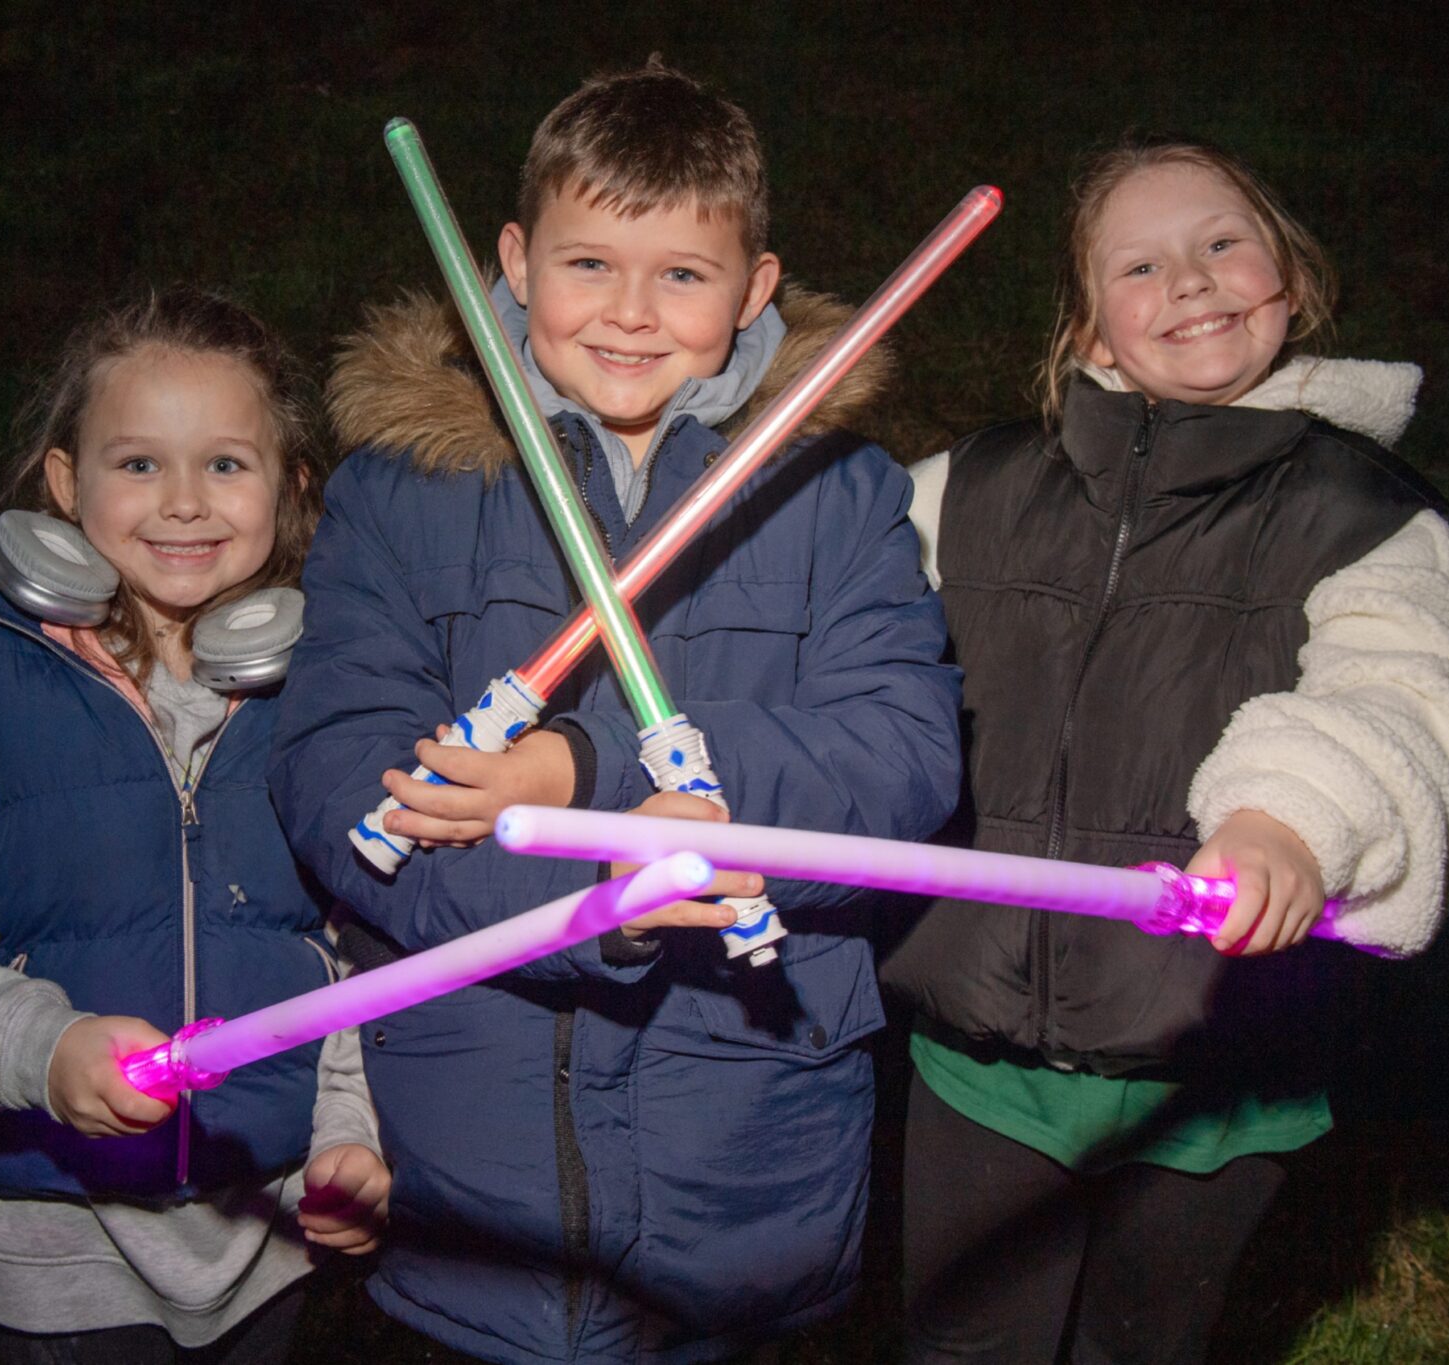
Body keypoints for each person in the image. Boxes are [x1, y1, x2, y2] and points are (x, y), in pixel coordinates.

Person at [271, 61, 961, 1365]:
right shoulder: (400, 489)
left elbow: (904, 756)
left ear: (756, 287)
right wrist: (594, 903)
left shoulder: (836, 492)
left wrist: (576, 775)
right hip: (467, 1206)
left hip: (747, 1209)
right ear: (516, 262)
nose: (633, 314)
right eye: (591, 264)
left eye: (685, 276)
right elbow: (337, 777)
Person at [882, 138, 1449, 1364]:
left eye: (1221, 242)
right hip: (984, 1058)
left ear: (1290, 277)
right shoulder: (974, 489)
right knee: (963, 1345)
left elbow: (1411, 687)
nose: (1190, 278)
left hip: (1222, 1067)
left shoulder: (1365, 516)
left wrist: (1291, 815)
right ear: (1089, 333)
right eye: (1140, 262)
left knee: (1148, 1345)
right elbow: (819, 611)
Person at [0, 287, 389, 1363]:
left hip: (271, 1238)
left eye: (226, 463)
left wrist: (349, 1135)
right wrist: (44, 1048)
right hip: (63, 1250)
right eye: (138, 464)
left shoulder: (325, 709)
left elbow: (355, 953)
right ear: (63, 486)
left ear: (291, 487)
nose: (184, 502)